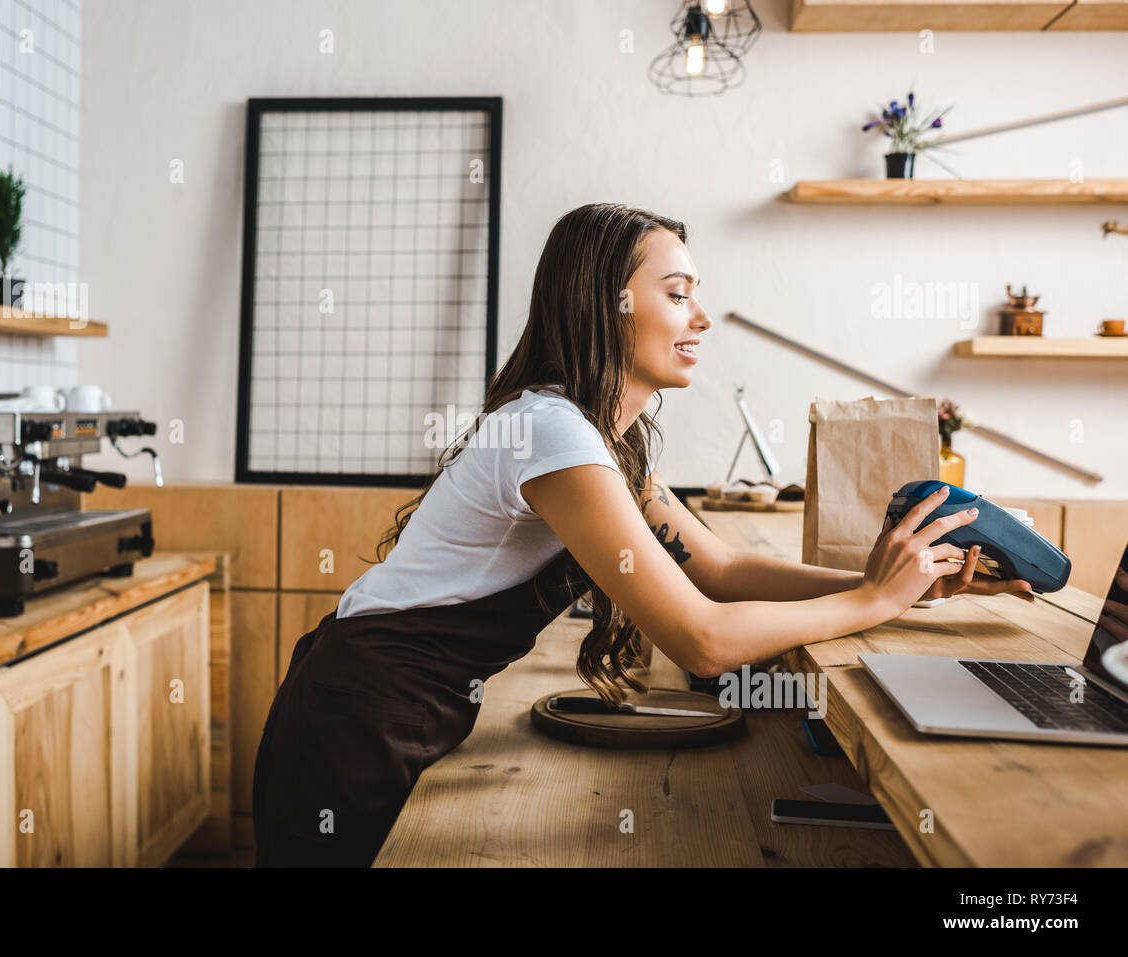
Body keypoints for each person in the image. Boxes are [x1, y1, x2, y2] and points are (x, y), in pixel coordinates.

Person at [251, 202, 1034, 867]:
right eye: (677, 293)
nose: (700, 318)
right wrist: (872, 599)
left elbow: (721, 571)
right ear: (609, 305)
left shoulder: (596, 440)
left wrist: (910, 584)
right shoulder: (551, 432)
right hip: (353, 726)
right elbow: (702, 637)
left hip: (390, 709)